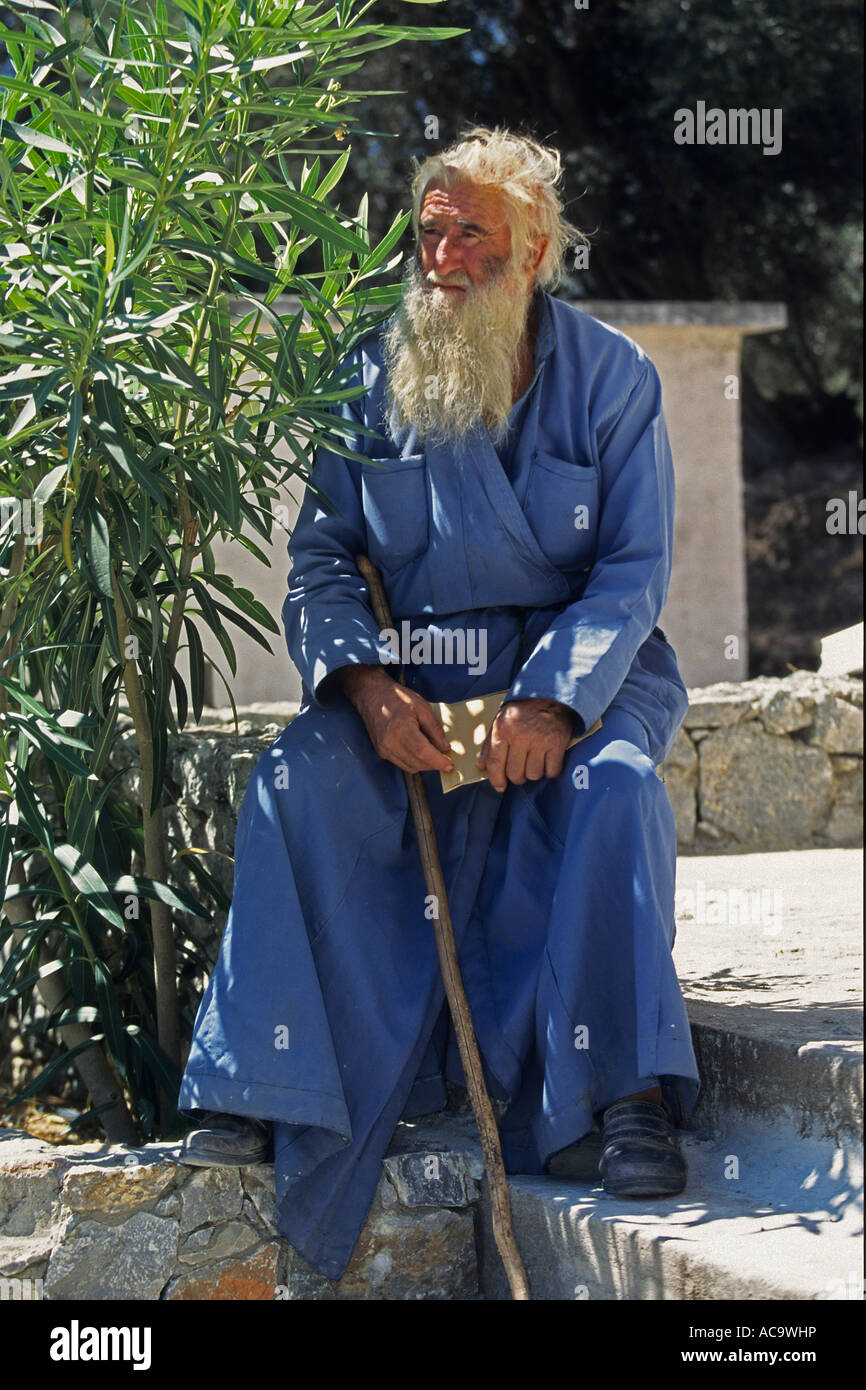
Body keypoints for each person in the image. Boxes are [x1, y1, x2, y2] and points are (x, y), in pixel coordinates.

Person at [178, 126, 701, 1284]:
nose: (441, 254)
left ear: (531, 251)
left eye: (470, 231)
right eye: (427, 230)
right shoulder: (373, 375)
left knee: (613, 790)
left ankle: (621, 1096)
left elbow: (630, 575)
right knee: (294, 781)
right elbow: (317, 564)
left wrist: (554, 704)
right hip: (410, 684)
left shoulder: (614, 378)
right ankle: (263, 1084)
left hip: (578, 679)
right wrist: (364, 689)